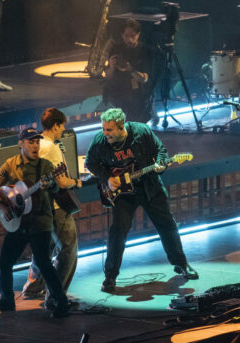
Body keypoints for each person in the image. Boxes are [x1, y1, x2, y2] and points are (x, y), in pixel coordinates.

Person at [85, 108, 198, 292]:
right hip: (123, 194)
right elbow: (90, 162)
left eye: (109, 130)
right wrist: (107, 177)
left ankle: (181, 264)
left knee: (167, 225)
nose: (105, 134)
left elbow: (160, 149)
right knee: (117, 232)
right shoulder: (100, 141)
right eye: (104, 129)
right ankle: (110, 276)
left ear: (121, 127)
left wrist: (161, 165)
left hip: (149, 187)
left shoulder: (141, 132)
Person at [0, 128, 69, 317]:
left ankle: (61, 302)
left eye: (37, 142)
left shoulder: (46, 166)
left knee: (44, 263)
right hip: (18, 221)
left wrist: (51, 184)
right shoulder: (10, 164)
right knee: (5, 262)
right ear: (20, 143)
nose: (35, 145)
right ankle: (6, 301)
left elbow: (56, 187)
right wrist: (1, 206)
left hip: (40, 220)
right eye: (31, 142)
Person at [21, 108, 81, 305]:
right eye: (62, 125)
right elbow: (61, 182)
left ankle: (33, 287)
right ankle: (56, 295)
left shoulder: (35, 145)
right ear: (55, 125)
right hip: (55, 207)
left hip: (38, 209)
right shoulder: (51, 148)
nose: (63, 129)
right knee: (68, 249)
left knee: (43, 249)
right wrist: (75, 181)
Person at [102, 18, 155, 123]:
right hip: (119, 93)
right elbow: (108, 77)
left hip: (138, 94)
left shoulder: (145, 50)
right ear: (122, 35)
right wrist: (112, 67)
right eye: (126, 36)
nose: (129, 39)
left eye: (133, 36)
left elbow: (145, 79)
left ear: (138, 34)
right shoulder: (116, 49)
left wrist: (131, 70)